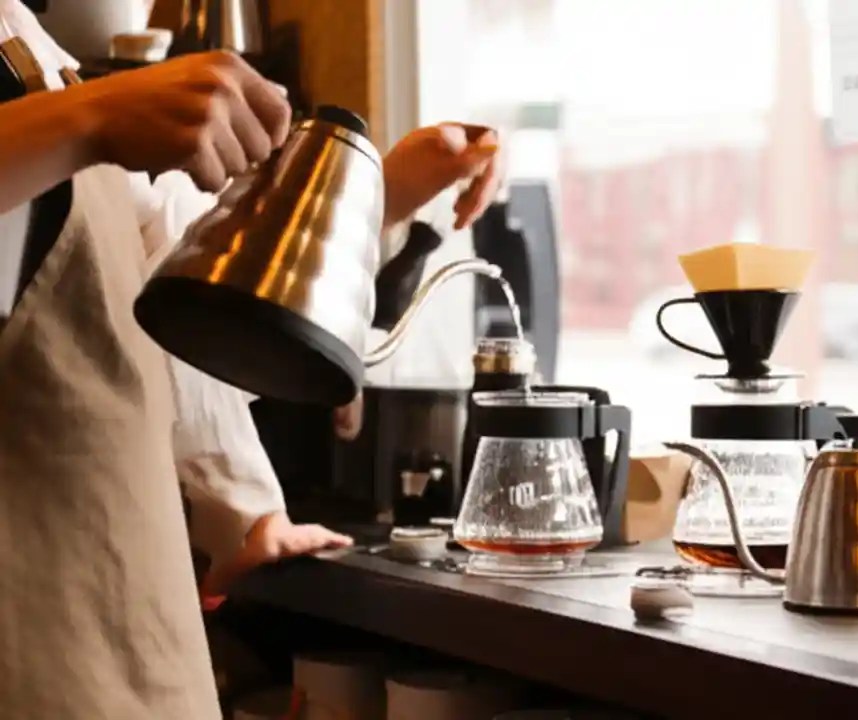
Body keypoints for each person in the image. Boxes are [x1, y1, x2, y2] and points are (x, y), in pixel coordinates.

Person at [0, 2, 504, 717]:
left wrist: (377, 191)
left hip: (132, 634)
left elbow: (169, 290)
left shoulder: (30, 44)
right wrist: (93, 117)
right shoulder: (66, 92)